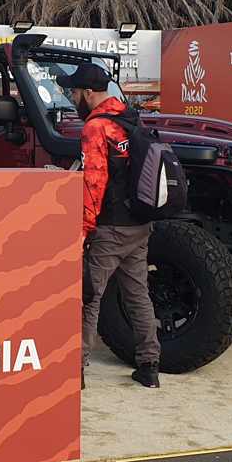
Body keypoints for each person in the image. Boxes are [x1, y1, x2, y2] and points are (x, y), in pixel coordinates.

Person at [58, 63, 161, 389]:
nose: (71, 98)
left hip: (110, 228)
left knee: (88, 297)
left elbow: (93, 183)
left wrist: (83, 230)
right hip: (139, 224)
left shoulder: (95, 128)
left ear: (89, 93)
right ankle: (150, 368)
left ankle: (76, 371)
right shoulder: (129, 118)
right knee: (139, 296)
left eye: (73, 92)